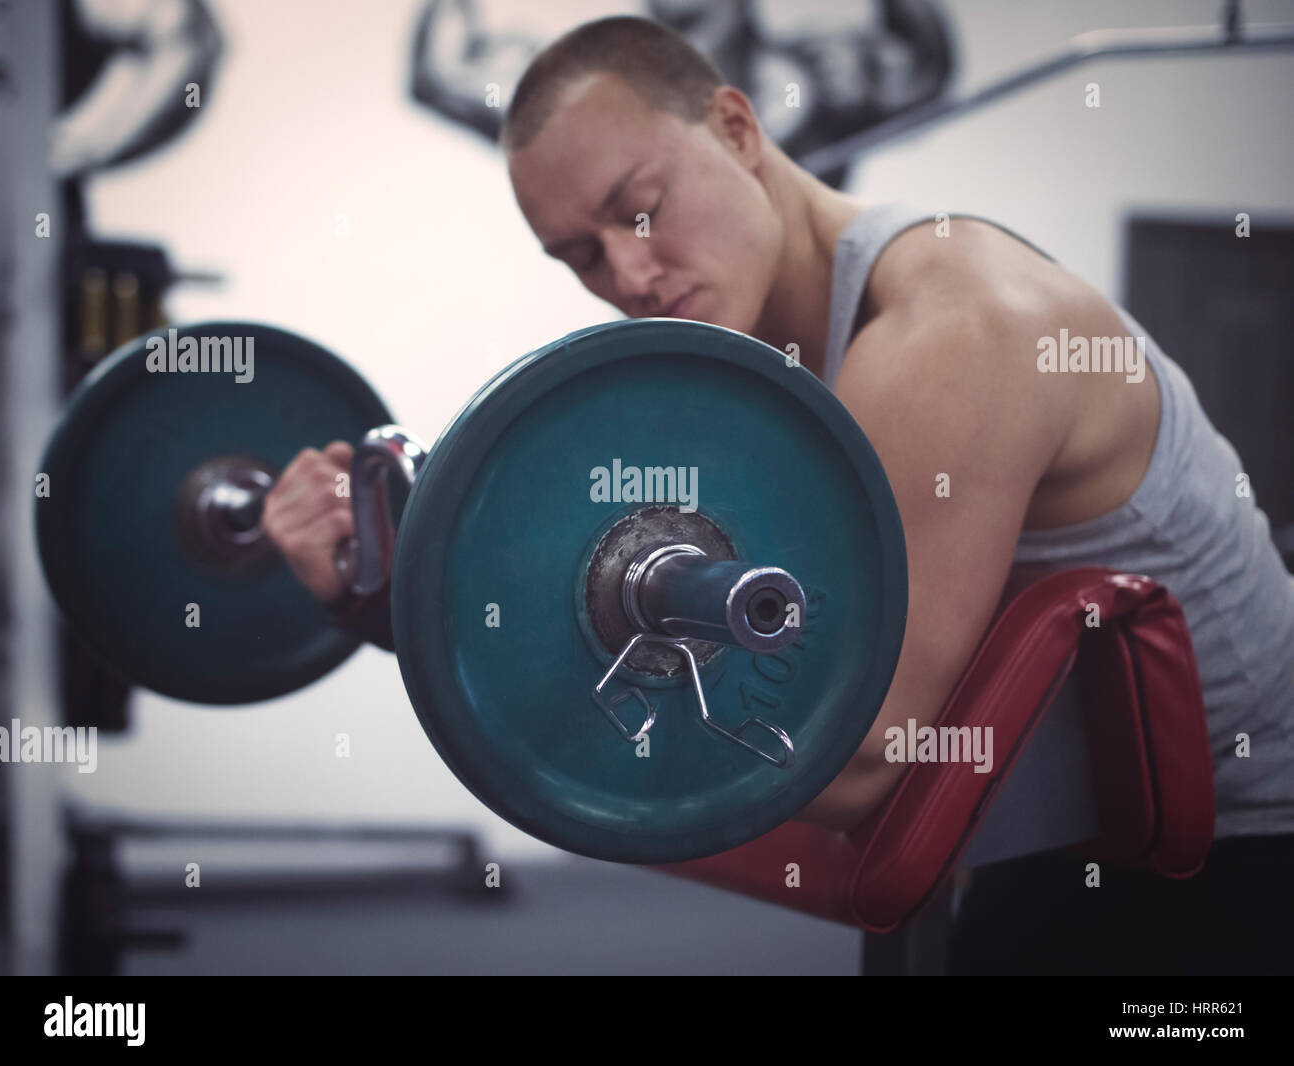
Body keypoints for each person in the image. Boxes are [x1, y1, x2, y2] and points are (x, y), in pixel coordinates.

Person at [262, 16, 1294, 973]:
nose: (627, 271)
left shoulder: (957, 327)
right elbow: (647, 630)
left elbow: (851, 769)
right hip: (1048, 846)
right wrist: (390, 592)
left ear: (735, 126)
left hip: (1233, 864)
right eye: (580, 253)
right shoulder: (737, 370)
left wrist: (499, 684)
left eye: (640, 208)